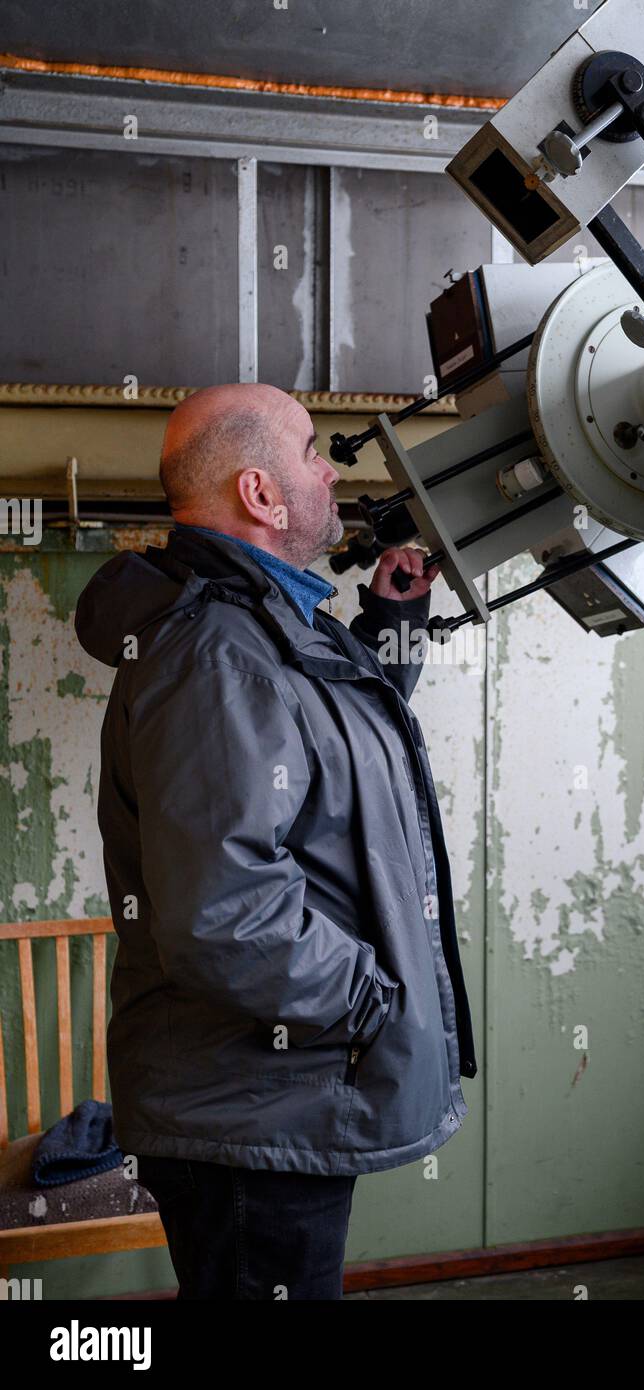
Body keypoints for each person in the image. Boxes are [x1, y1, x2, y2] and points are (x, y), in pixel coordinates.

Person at [74, 382, 477, 1300]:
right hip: (248, 1106)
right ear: (260, 493)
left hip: (266, 1092)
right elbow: (227, 912)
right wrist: (374, 1001)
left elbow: (327, 756)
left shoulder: (261, 623)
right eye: (310, 454)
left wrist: (389, 628)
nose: (329, 476)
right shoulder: (215, 651)